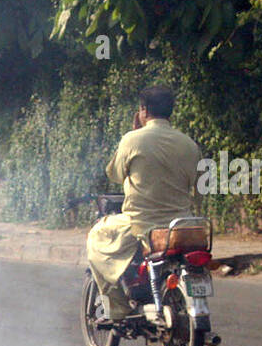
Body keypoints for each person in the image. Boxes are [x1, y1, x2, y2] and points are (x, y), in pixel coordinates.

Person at [87, 85, 203, 321]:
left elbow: (116, 174)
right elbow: (200, 189)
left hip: (141, 224)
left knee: (96, 237)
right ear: (170, 111)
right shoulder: (189, 144)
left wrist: (133, 134)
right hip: (182, 226)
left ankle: (118, 309)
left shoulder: (132, 139)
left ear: (143, 110)